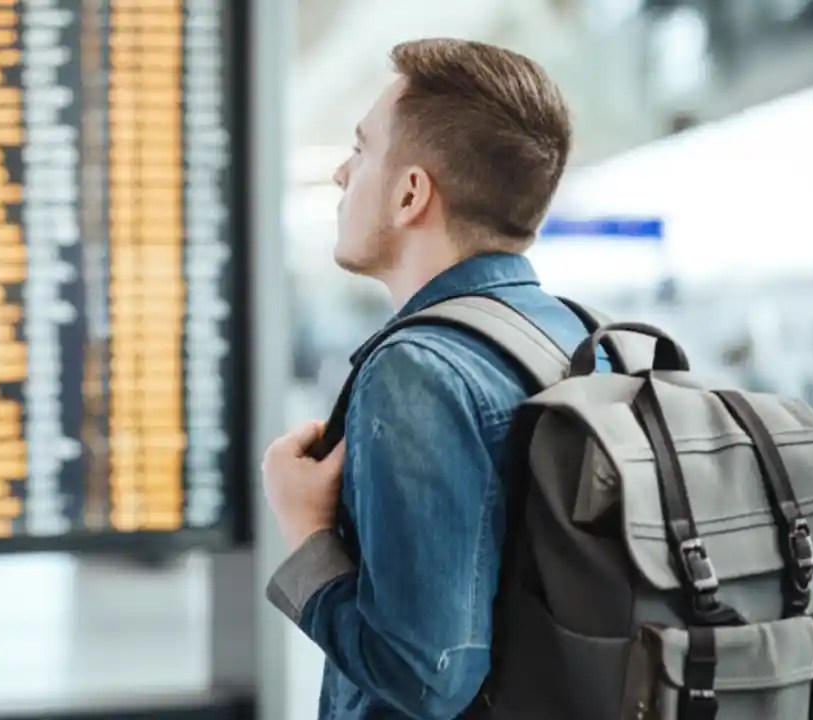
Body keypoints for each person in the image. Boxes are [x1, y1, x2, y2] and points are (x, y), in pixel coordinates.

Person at [261, 38, 597, 718]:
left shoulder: (417, 370)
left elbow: (424, 678)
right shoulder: (587, 339)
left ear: (412, 192)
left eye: (360, 150)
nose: (339, 174)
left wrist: (305, 534)